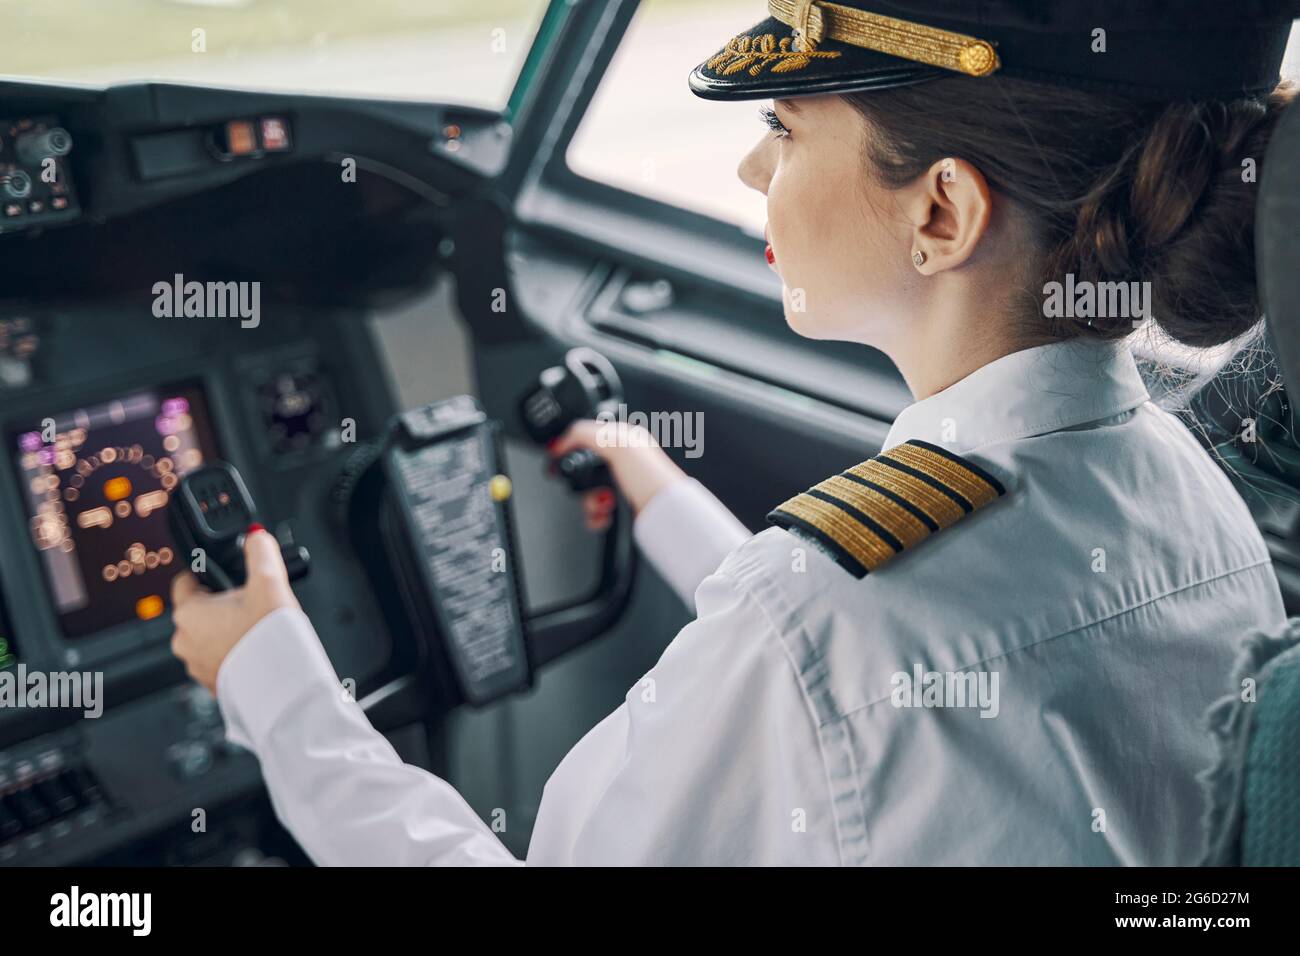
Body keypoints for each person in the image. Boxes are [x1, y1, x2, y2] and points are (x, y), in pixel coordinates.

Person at [170, 1, 1300, 865]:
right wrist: (654, 489)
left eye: (782, 125)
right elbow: (868, 675)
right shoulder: (1196, 499)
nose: (754, 168)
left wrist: (269, 676)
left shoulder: (817, 618)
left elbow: (827, 660)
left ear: (941, 212)